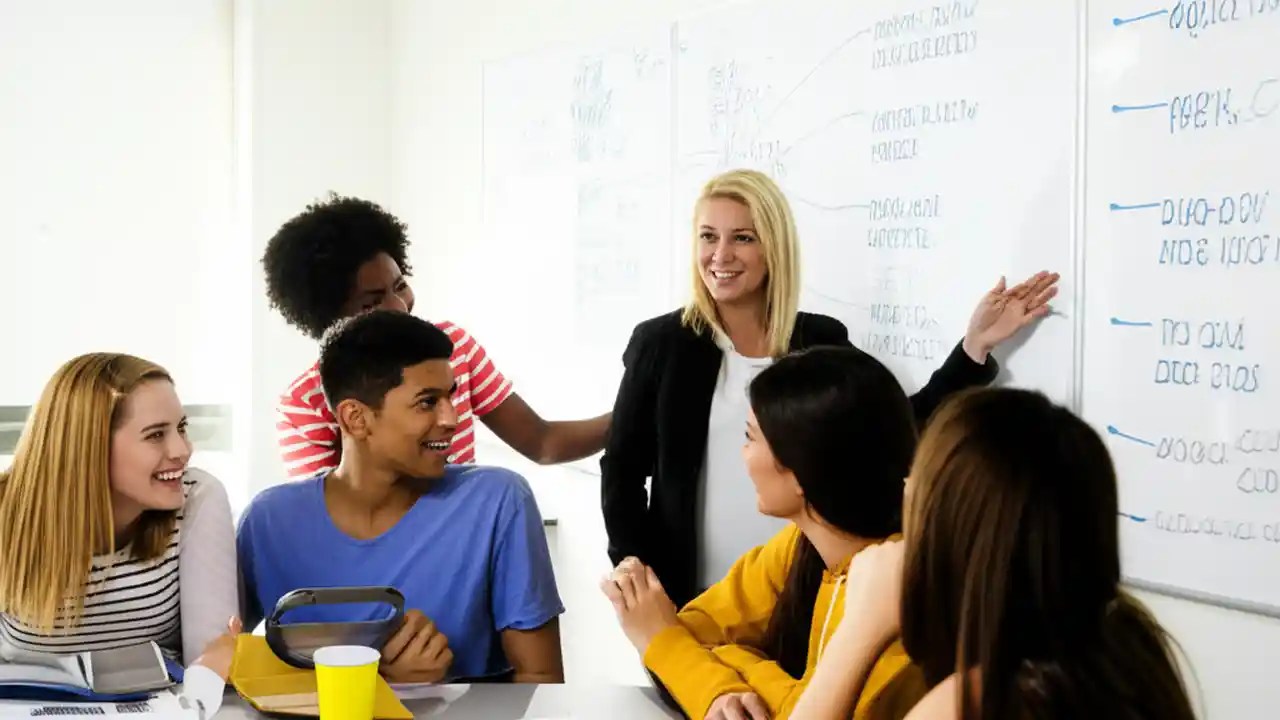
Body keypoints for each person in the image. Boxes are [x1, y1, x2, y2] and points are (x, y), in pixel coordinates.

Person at [601, 168, 1060, 608]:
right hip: (690, 605)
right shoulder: (662, 344)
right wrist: (636, 572)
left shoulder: (819, 340)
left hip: (803, 600)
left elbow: (893, 430)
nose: (720, 255)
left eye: (743, 237)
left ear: (773, 247)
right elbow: (622, 468)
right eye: (708, 236)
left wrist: (973, 348)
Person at [792, 389, 1197, 720]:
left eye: (921, 482)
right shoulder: (1131, 648)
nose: (907, 485)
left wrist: (857, 633)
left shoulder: (973, 704)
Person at [237, 310, 565, 684]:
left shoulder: (498, 502)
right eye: (427, 402)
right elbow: (223, 666)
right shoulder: (268, 521)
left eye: (450, 397)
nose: (452, 418)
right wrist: (382, 681)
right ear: (355, 419)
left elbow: (541, 681)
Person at [602, 347, 929, 720]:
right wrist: (720, 691)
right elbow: (695, 628)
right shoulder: (800, 544)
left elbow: (800, 714)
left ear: (803, 468)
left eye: (750, 437)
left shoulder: (894, 588)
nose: (743, 454)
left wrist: (664, 643)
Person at [264, 193, 611, 479]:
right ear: (329, 315)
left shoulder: (452, 348)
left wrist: (639, 408)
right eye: (372, 302)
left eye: (400, 285)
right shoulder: (306, 403)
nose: (399, 306)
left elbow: (543, 442)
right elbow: (327, 518)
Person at [0, 353, 240, 718]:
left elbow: (210, 661)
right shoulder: (7, 510)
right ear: (88, 446)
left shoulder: (199, 499)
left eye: (182, 427)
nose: (182, 450)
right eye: (156, 435)